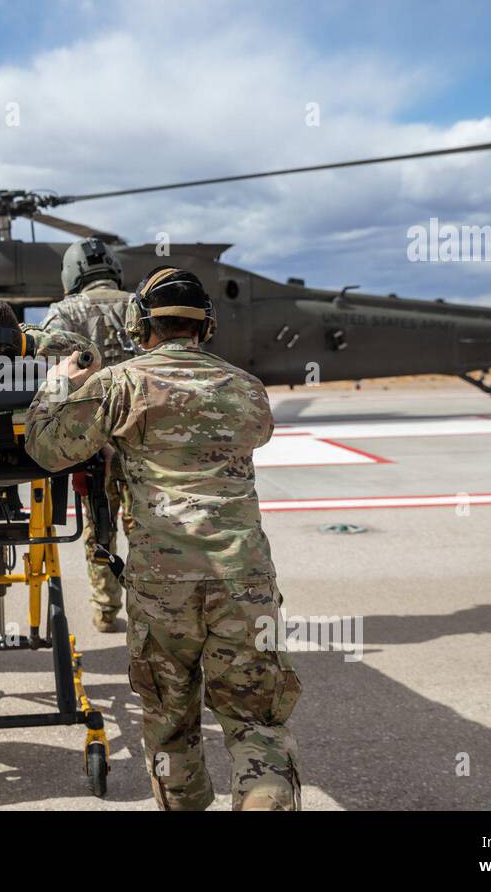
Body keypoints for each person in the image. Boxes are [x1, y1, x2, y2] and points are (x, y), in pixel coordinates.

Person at [23, 266, 302, 811]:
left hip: (162, 586)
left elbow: (47, 447)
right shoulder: (246, 388)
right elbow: (255, 434)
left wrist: (61, 381)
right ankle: (265, 796)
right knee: (257, 725)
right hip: (245, 581)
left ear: (139, 323)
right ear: (207, 325)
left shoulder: (121, 384)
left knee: (171, 725)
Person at [41, 238, 135, 631]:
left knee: (101, 525)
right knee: (148, 526)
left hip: (94, 443)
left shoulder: (62, 312)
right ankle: (155, 610)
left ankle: (106, 609)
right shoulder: (139, 305)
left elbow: (47, 376)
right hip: (143, 439)